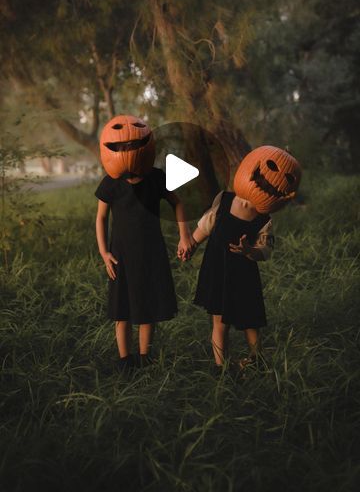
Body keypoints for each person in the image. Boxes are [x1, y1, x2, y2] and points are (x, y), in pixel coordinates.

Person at [95, 114, 194, 371]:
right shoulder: (111, 183)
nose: (128, 152)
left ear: (144, 149)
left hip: (151, 252)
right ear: (114, 150)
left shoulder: (155, 178)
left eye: (133, 147)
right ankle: (124, 360)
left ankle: (144, 357)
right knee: (123, 309)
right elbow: (101, 218)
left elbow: (178, 203)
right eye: (122, 148)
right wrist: (104, 252)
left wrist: (184, 236)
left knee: (147, 306)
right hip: (121, 255)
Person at [190, 145, 301, 369]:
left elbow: (266, 249)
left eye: (286, 179)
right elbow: (206, 225)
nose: (274, 181)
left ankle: (257, 358)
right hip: (218, 269)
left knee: (250, 320)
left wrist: (249, 251)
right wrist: (191, 243)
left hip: (244, 274)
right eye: (269, 168)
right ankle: (221, 368)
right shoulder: (224, 200)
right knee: (220, 322)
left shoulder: (263, 218)